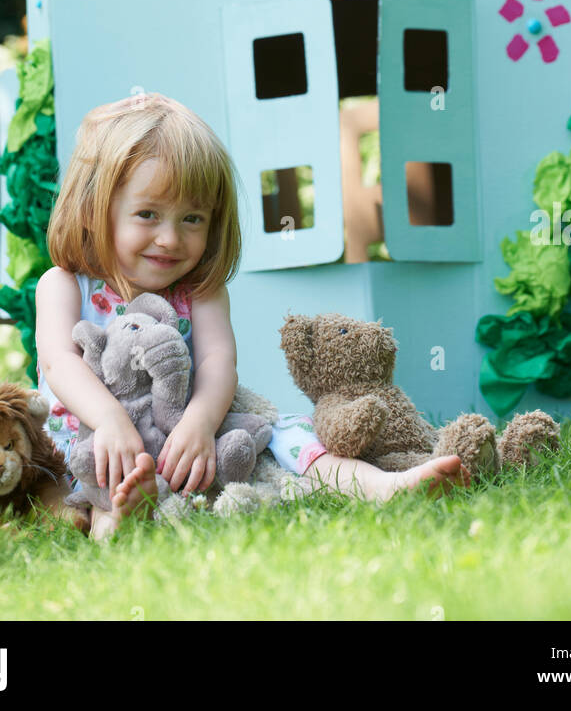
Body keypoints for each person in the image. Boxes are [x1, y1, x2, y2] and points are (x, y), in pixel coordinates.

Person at [34, 93, 471, 540]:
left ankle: (379, 485)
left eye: (192, 219)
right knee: (90, 473)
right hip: (94, 439)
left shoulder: (200, 292)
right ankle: (117, 515)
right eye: (147, 214)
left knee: (285, 432)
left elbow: (217, 364)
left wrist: (201, 423)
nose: (169, 238)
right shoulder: (65, 285)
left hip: (183, 435)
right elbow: (59, 363)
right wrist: (109, 420)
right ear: (92, 209)